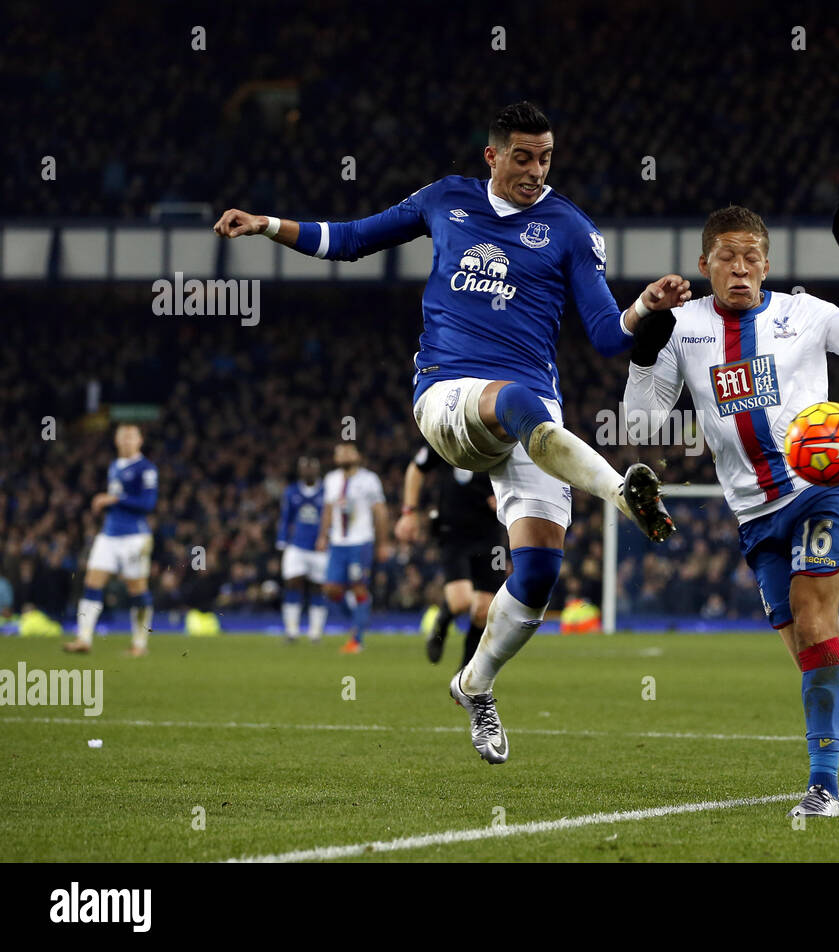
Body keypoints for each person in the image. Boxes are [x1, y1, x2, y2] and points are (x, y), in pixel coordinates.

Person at [215, 101, 689, 762]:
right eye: (522, 157)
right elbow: (353, 239)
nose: (535, 170)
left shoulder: (571, 229)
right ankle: (621, 495)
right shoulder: (446, 200)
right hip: (447, 394)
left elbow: (609, 336)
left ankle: (476, 684)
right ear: (492, 156)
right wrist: (267, 224)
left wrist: (647, 306)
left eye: (546, 157)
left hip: (530, 414)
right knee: (518, 401)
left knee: (540, 573)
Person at [623, 197, 839, 819]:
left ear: (767, 265)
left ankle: (824, 790)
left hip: (823, 488)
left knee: (817, 631)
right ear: (704, 262)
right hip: (754, 514)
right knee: (820, 655)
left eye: (752, 258)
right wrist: (644, 349)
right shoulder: (683, 326)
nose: (741, 268)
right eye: (728, 257)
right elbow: (639, 421)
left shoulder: (804, 314)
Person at [395, 445, 505, 667]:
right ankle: (441, 624)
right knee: (461, 601)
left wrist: (504, 498)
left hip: (489, 533)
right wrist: (409, 513)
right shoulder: (448, 436)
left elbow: (520, 478)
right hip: (452, 532)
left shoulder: (502, 441)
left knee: (484, 611)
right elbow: (416, 469)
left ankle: (465, 674)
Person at [65, 423, 157, 656]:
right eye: (123, 437)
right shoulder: (115, 465)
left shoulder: (146, 469)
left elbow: (148, 504)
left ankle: (140, 645)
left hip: (135, 537)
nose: (127, 441)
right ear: (117, 441)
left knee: (137, 590)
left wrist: (114, 500)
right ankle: (83, 639)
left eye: (131, 437)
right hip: (108, 535)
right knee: (92, 583)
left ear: (140, 441)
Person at [317, 443, 389, 654]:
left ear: (358, 455)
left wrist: (383, 542)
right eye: (339, 452)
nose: (343, 455)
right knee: (331, 589)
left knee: (358, 587)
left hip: (361, 541)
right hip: (338, 542)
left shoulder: (369, 479)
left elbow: (380, 512)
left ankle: (356, 639)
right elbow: (328, 510)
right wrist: (322, 536)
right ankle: (359, 615)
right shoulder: (331, 479)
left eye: (348, 451)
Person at [277, 456, 328, 643]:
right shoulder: (291, 492)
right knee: (292, 583)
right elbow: (286, 518)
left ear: (317, 469)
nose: (307, 471)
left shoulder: (327, 491)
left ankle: (315, 634)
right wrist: (282, 541)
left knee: (318, 588)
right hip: (296, 546)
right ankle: (291, 632)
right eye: (304, 468)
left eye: (311, 467)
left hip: (320, 548)